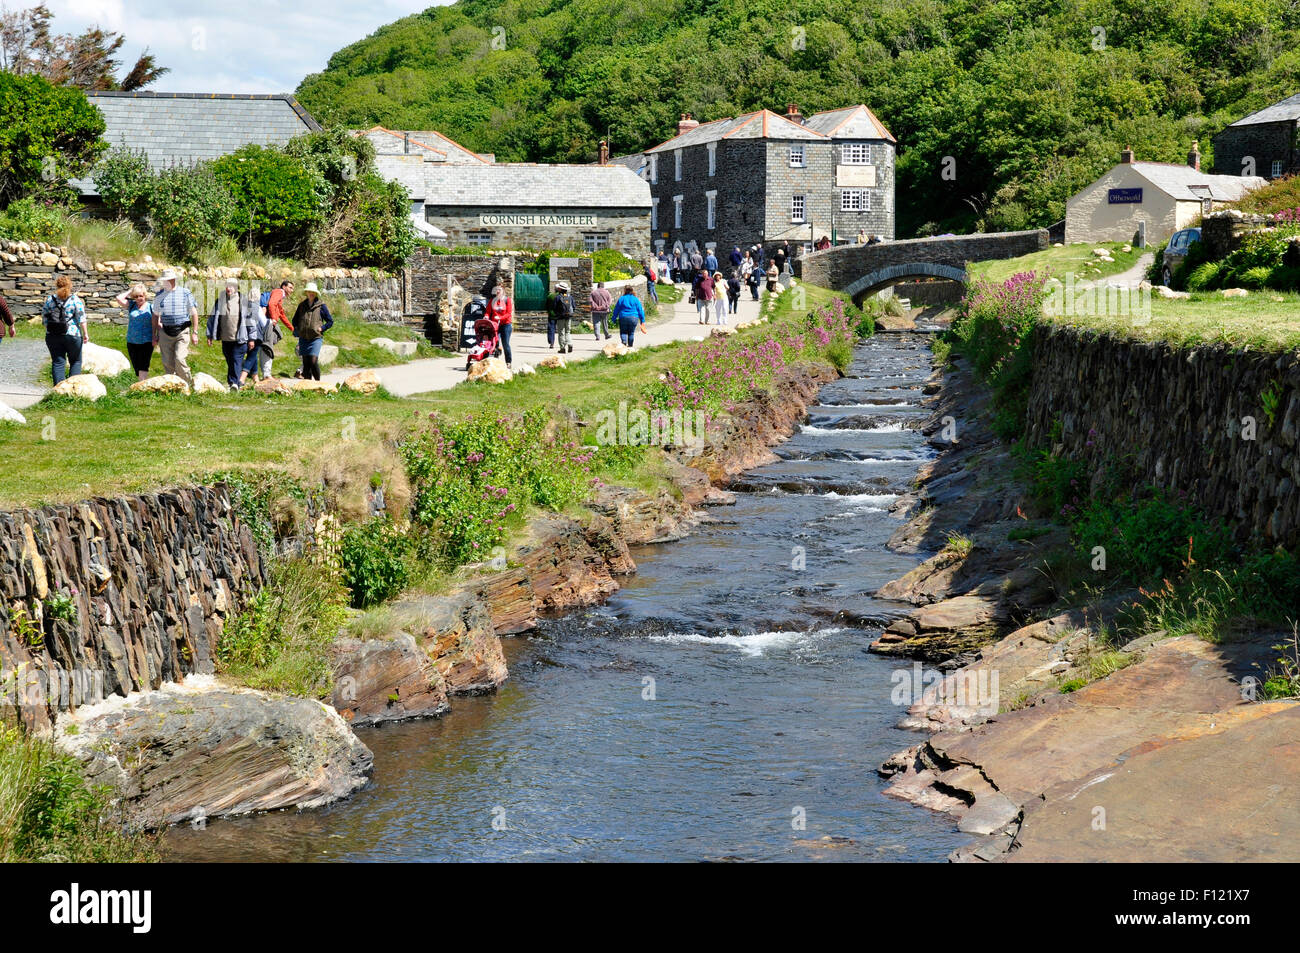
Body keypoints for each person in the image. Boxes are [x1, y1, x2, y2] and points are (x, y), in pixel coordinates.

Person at [207, 278, 257, 390]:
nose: (228, 288)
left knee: (236, 359)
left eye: (231, 286)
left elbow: (251, 320)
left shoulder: (243, 301)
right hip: (226, 338)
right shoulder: (220, 301)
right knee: (230, 360)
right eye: (227, 286)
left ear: (236, 287)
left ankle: (234, 383)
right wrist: (209, 335)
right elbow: (212, 318)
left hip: (240, 338)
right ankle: (232, 383)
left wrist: (252, 338)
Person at [152, 269, 198, 385]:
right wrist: (154, 335)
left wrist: (195, 332)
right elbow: (155, 316)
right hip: (165, 331)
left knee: (179, 358)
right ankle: (172, 386)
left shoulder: (185, 293)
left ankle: (187, 383)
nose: (164, 282)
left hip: (182, 331)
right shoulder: (159, 295)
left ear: (173, 280)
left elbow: (194, 312)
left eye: (166, 280)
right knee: (167, 362)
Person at [42, 275, 88, 385]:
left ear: (56, 286)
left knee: (58, 362)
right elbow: (81, 318)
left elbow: (44, 320)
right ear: (70, 285)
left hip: (53, 335)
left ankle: (58, 391)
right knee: (76, 361)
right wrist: (85, 334)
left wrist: (53, 329)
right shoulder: (75, 300)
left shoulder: (50, 299)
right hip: (73, 335)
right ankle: (73, 390)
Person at [112, 283, 155, 381]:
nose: (139, 298)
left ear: (145, 296)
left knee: (143, 365)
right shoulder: (131, 305)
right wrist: (131, 291)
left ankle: (142, 387)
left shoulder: (150, 307)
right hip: (132, 341)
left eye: (141, 296)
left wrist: (155, 337)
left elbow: (156, 323)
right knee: (136, 366)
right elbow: (119, 298)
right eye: (136, 296)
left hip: (146, 341)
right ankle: (142, 383)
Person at [292, 282, 333, 381]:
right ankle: (308, 385)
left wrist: (322, 328)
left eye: (313, 292)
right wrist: (298, 329)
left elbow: (330, 321)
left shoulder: (321, 306)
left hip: (316, 338)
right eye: (309, 292)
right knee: (306, 363)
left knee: (313, 361)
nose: (311, 293)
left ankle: (318, 383)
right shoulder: (301, 305)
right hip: (303, 338)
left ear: (316, 293)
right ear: (306, 292)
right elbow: (294, 320)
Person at [487, 284, 513, 367]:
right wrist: (486, 316)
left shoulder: (507, 300)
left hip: (506, 325)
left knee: (505, 344)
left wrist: (500, 317)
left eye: (499, 290)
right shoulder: (492, 301)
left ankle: (508, 362)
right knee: (495, 342)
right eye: (496, 290)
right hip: (495, 325)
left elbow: (508, 313)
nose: (498, 291)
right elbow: (488, 311)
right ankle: (496, 360)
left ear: (503, 291)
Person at [548, 281, 576, 353]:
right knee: (568, 331)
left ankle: (562, 348)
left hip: (560, 317)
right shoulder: (570, 297)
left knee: (561, 332)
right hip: (569, 316)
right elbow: (574, 306)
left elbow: (554, 307)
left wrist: (557, 314)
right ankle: (570, 344)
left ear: (560, 289)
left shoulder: (558, 297)